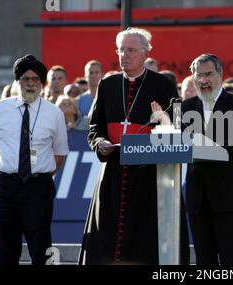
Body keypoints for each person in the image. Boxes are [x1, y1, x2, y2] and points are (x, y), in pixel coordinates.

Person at [79, 27, 189, 265]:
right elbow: (95, 128)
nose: (124, 55)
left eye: (130, 50)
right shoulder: (107, 84)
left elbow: (178, 126)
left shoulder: (164, 85)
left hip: (148, 176)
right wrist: (100, 143)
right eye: (120, 50)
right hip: (113, 174)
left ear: (145, 53)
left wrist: (164, 122)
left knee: (144, 239)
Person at [0, 54, 69, 265]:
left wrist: (38, 175)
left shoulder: (54, 113)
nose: (30, 83)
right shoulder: (1, 108)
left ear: (42, 83)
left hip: (38, 187)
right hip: (5, 187)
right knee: (5, 252)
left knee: (41, 252)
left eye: (35, 79)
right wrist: (9, 170)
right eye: (25, 78)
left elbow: (59, 153)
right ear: (17, 81)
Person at [181, 54, 233, 265]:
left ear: (220, 75)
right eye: (198, 75)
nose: (203, 80)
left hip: (230, 198)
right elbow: (177, 145)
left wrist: (195, 146)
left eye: (209, 74)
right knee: (204, 262)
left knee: (232, 261)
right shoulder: (184, 108)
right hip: (197, 199)